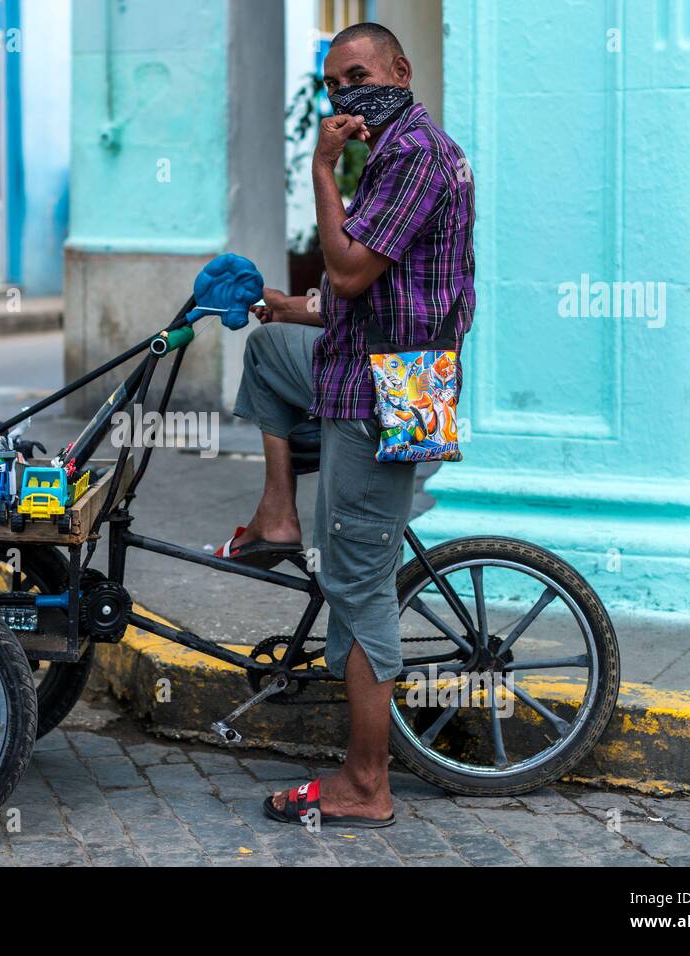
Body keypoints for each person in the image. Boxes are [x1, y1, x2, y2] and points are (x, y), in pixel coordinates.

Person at [230, 22, 476, 828]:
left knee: (358, 585)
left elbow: (346, 266)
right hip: (354, 365)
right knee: (269, 350)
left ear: (400, 70)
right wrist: (274, 301)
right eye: (335, 86)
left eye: (359, 76)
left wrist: (321, 166)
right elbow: (349, 292)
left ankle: (367, 785)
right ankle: (276, 510)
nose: (346, 96)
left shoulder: (412, 154)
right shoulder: (394, 151)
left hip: (392, 392)